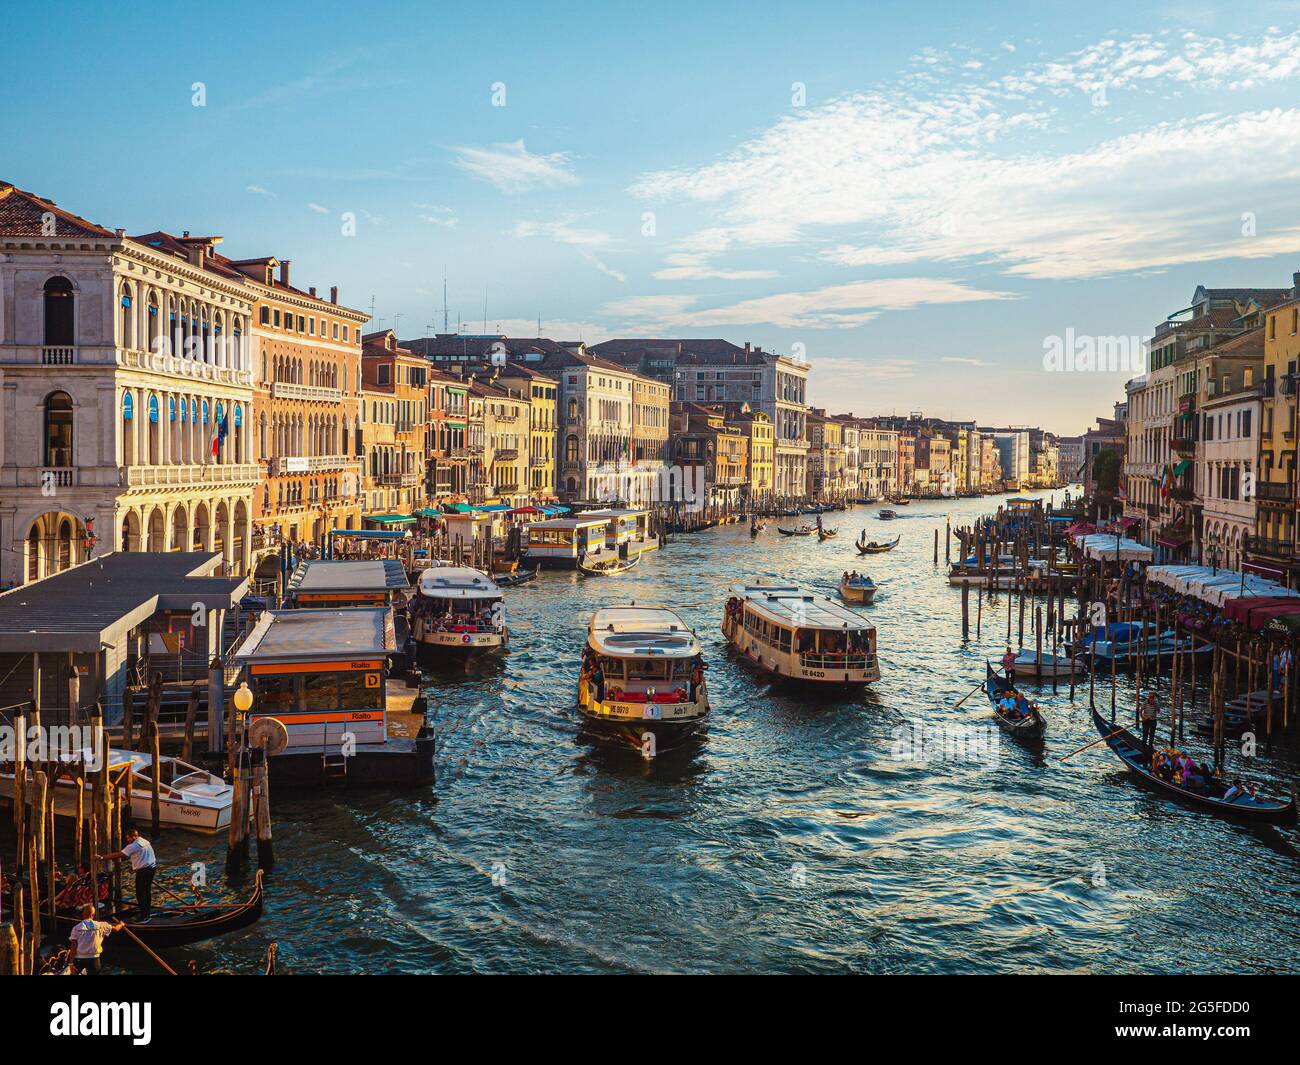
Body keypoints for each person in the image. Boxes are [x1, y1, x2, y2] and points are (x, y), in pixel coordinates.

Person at [100, 828, 157, 920]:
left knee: (140, 893)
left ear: (134, 837)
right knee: (146, 891)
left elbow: (120, 854)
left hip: (144, 870)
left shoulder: (134, 846)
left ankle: (144, 916)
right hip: (152, 867)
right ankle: (147, 911)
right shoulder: (144, 841)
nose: (127, 840)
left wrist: (101, 857)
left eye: (128, 838)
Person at [68, 904, 123, 975]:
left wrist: (71, 963)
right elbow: (116, 929)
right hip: (94, 959)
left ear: (83, 915)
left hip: (79, 959)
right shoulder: (101, 925)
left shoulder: (76, 928)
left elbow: (73, 947)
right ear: (93, 915)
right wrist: (121, 924)